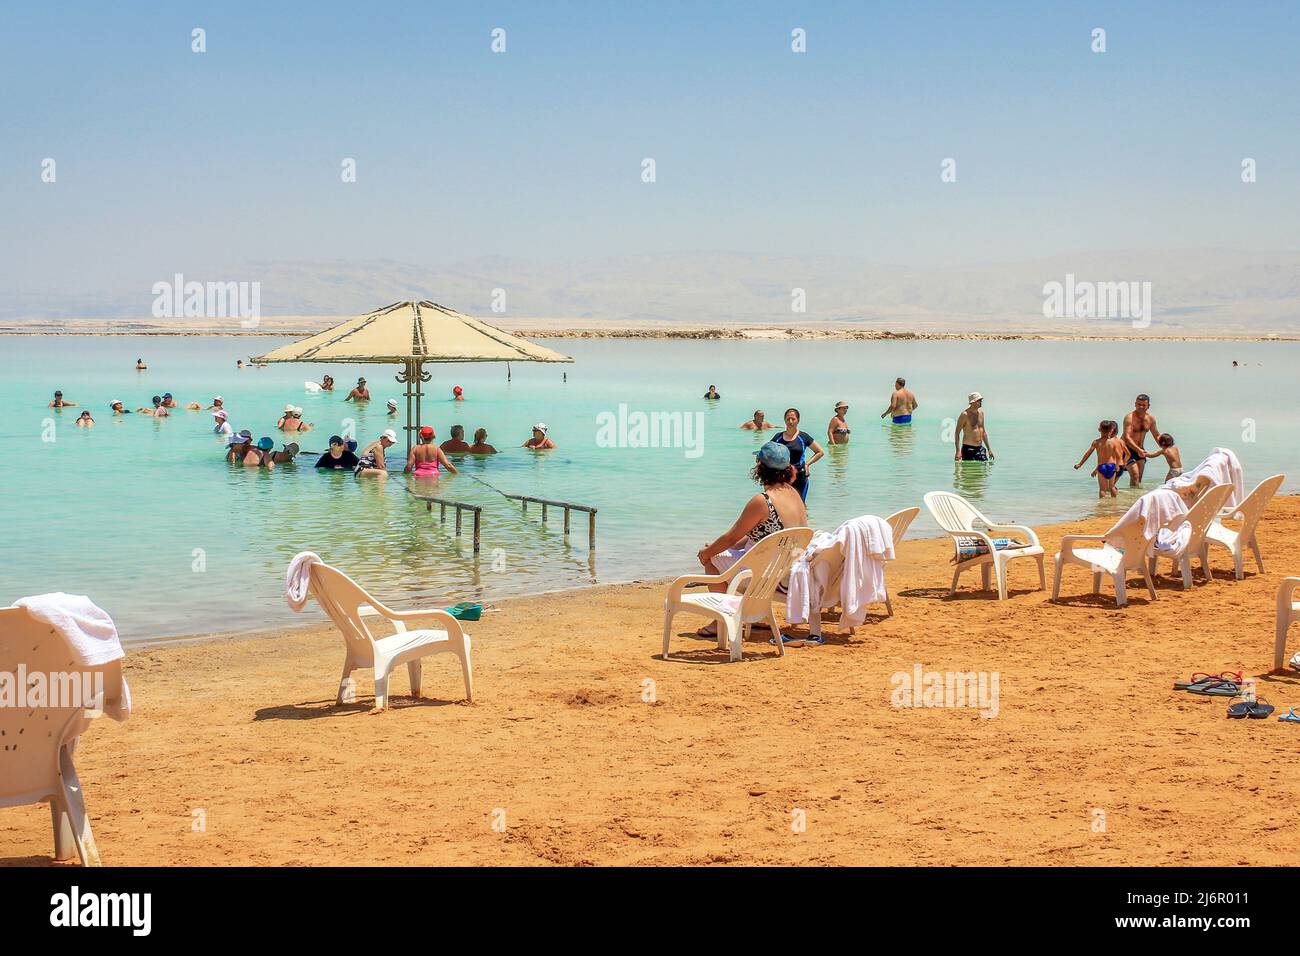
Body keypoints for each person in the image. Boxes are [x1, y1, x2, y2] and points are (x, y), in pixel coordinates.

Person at [693, 442, 808, 637]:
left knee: (712, 560)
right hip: (787, 570)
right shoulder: (793, 494)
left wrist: (707, 553)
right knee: (716, 552)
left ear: (759, 467)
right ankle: (759, 617)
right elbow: (761, 533)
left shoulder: (762, 501)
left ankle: (720, 620)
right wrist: (714, 548)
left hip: (768, 576)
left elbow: (731, 537)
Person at [771, 408, 823, 501]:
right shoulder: (778, 437)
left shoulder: (803, 437)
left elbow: (820, 452)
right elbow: (768, 453)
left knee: (800, 506)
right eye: (788, 419)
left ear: (798, 420)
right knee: (782, 506)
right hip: (782, 478)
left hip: (800, 477)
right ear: (784, 420)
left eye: (793, 419)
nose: (790, 422)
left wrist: (807, 464)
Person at [1074, 420, 1124, 498]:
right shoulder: (1113, 442)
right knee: (1112, 487)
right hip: (1112, 466)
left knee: (1102, 489)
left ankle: (1102, 506)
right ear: (1111, 430)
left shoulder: (1096, 442)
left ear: (1099, 429)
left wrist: (1080, 464)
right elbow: (1118, 456)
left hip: (1102, 467)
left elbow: (1088, 454)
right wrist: (1117, 465)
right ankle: (1114, 504)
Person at [1121, 394, 1163, 487]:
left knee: (1138, 480)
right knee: (1135, 476)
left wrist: (1166, 447)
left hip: (1140, 449)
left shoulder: (1150, 419)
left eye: (1144, 405)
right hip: (1126, 449)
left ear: (1148, 406)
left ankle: (1134, 498)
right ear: (1135, 404)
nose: (1141, 407)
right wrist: (1138, 450)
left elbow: (1156, 435)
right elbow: (1127, 437)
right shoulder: (1129, 418)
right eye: (1139, 404)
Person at [954, 392, 993, 461]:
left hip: (980, 448)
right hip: (968, 449)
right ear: (973, 402)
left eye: (981, 400)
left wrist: (989, 449)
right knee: (969, 471)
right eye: (979, 400)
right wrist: (958, 450)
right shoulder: (964, 415)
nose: (981, 402)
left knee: (984, 470)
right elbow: (957, 433)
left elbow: (983, 432)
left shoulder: (981, 413)